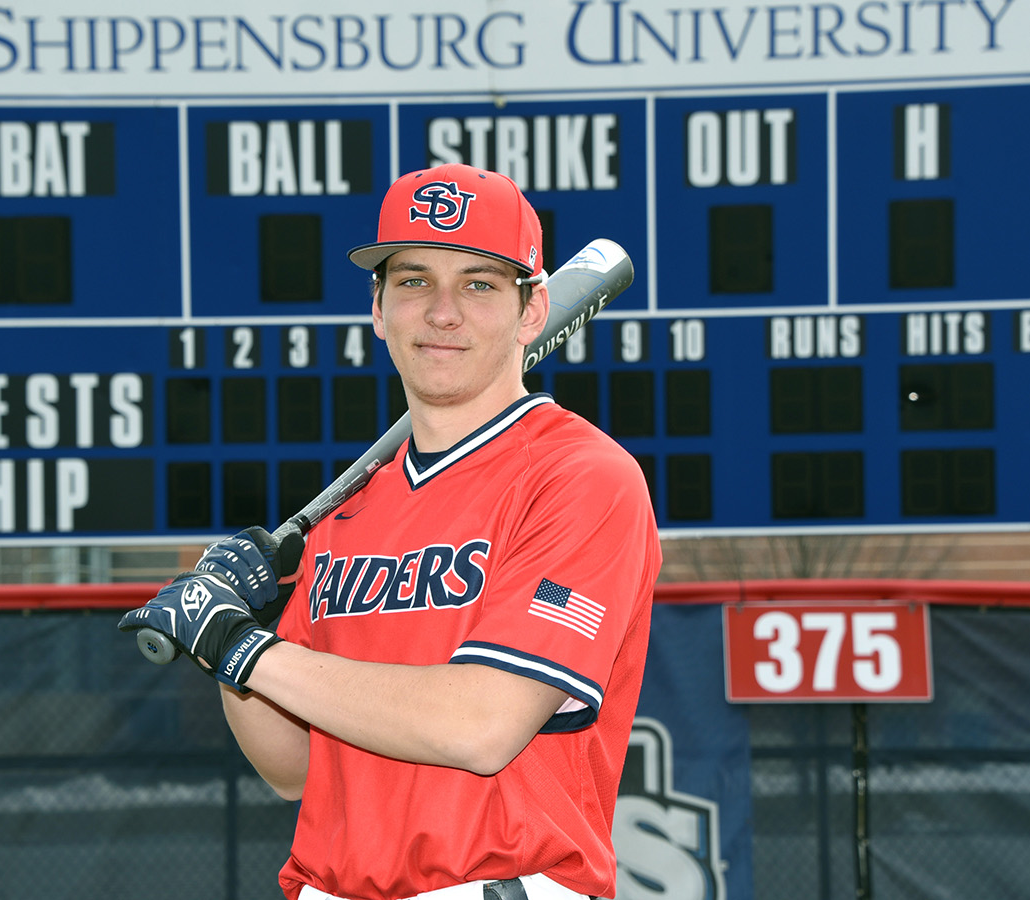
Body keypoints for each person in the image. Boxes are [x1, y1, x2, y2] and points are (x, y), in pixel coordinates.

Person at [120, 163, 661, 900]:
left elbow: (482, 725)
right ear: (378, 307)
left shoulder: (580, 478)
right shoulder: (347, 515)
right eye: (413, 281)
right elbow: (294, 770)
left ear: (533, 311)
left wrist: (243, 647)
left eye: (478, 283)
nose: (443, 311)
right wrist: (226, 635)